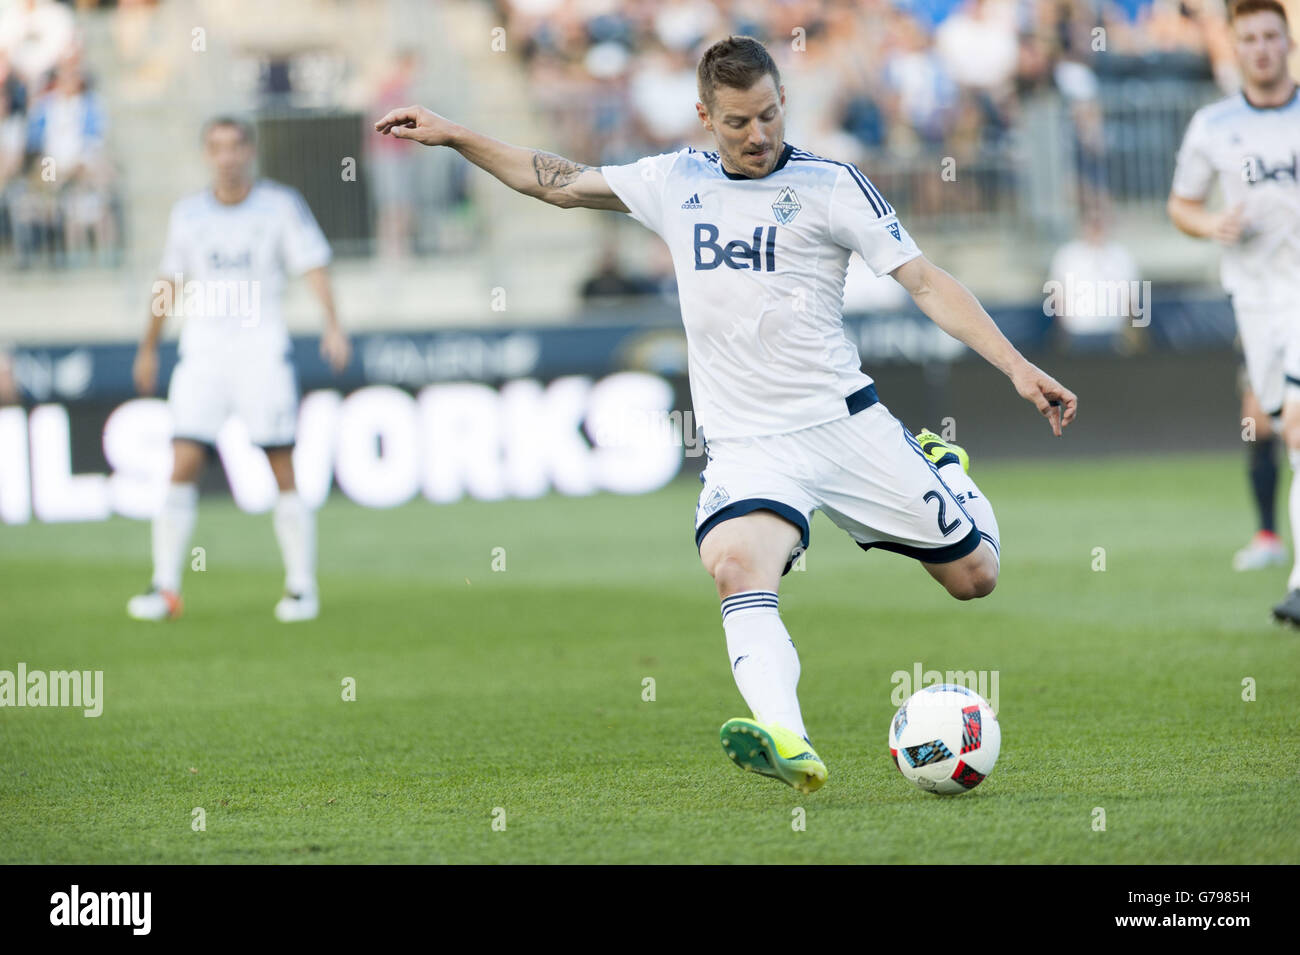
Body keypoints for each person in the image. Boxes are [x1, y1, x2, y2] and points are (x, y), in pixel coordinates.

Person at [374, 35, 1077, 793]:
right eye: (738, 121)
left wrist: (1016, 366)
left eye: (770, 115)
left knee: (975, 578)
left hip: (842, 423)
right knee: (737, 568)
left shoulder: (833, 185)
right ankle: (788, 736)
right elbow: (557, 181)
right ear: (705, 115)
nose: (758, 135)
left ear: (784, 105)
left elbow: (926, 281)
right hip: (748, 441)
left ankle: (942, 471)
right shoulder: (672, 180)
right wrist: (456, 135)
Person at [128, 117, 350, 623]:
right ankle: (165, 588)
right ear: (207, 154)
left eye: (235, 146)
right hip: (203, 353)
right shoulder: (188, 214)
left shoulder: (280, 205)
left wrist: (333, 325)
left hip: (260, 351)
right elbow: (169, 282)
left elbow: (312, 265)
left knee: (280, 465)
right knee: (182, 461)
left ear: (249, 151)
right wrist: (148, 346)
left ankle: (300, 587)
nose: (226, 156)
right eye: (216, 147)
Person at [1168, 0, 1300, 621]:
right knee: (1279, 426)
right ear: (1235, 45)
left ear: (1286, 40)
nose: (1263, 48)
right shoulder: (1213, 125)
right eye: (1249, 38)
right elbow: (1181, 205)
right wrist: (1211, 223)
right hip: (1254, 297)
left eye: (1272, 36)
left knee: (1297, 425)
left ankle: (1299, 583)